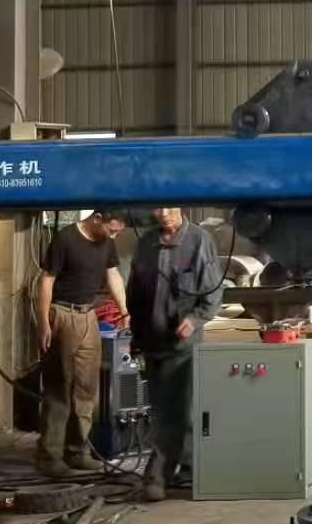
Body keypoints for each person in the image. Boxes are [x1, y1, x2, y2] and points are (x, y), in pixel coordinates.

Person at [127, 206, 222, 501]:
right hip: (152, 342)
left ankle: (162, 473)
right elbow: (135, 293)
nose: (163, 214)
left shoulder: (199, 240)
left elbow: (213, 292)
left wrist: (194, 320)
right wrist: (137, 335)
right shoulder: (146, 243)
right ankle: (179, 469)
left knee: (182, 409)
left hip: (183, 343)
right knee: (161, 410)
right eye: (158, 208)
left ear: (180, 207)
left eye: (169, 207)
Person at [35, 209, 128, 478]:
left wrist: (124, 309)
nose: (114, 236)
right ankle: (49, 456)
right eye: (112, 230)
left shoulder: (106, 242)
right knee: (60, 387)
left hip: (89, 315)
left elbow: (113, 274)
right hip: (62, 314)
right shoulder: (65, 239)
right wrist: (44, 322)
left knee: (87, 387)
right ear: (97, 218)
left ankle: (77, 451)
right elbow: (47, 280)